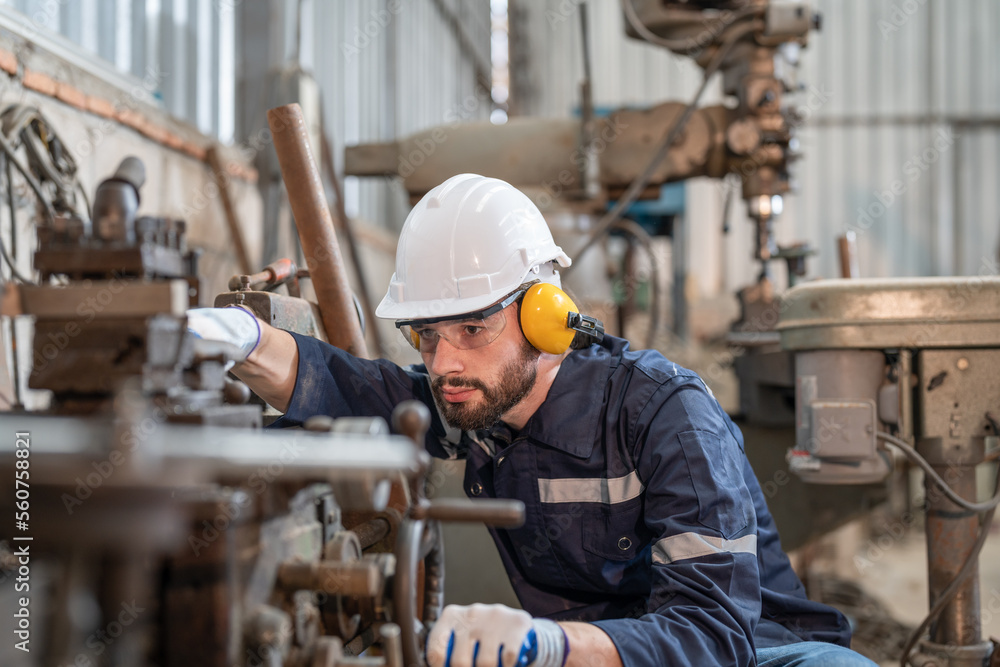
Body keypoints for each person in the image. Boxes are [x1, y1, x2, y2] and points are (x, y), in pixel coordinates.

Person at [190, 174, 877, 667]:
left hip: (759, 650)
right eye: (425, 335)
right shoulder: (475, 400)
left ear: (542, 315)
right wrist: (243, 341)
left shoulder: (667, 415)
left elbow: (712, 634)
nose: (445, 361)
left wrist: (550, 644)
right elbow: (355, 388)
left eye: (470, 327)